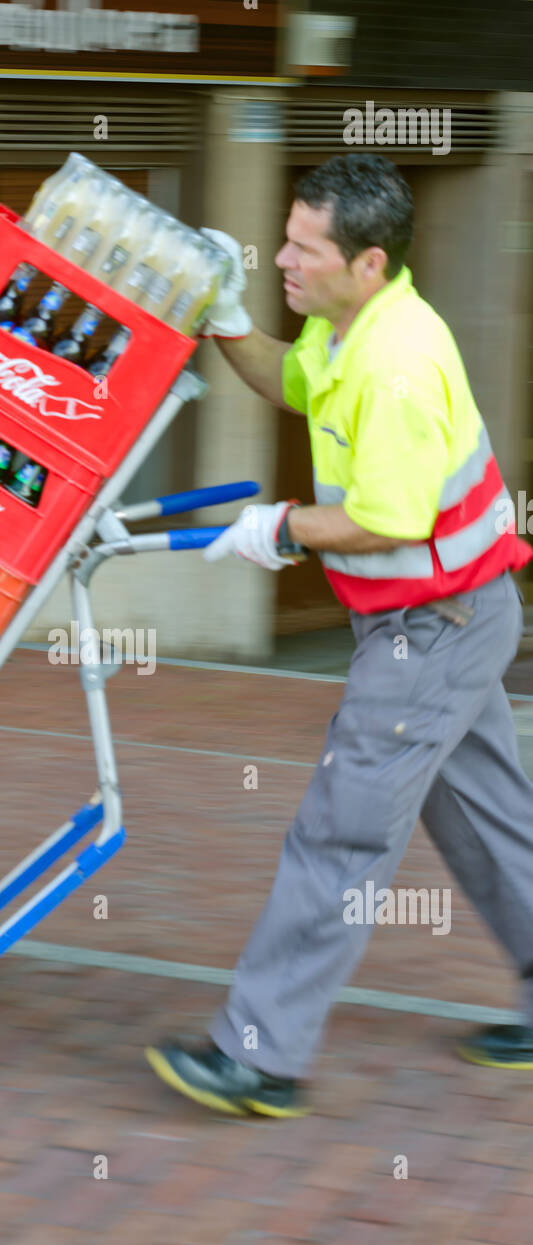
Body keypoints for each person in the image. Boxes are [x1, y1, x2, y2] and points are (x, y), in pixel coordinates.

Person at [145, 153, 533, 1119]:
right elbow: (296, 382)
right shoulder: (349, 326)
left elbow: (392, 518)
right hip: (458, 619)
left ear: (365, 263)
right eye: (283, 236)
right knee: (486, 817)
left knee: (340, 834)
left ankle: (259, 1057)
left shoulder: (397, 360)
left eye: (302, 248)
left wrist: (274, 527)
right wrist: (230, 324)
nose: (280, 257)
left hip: (428, 630)